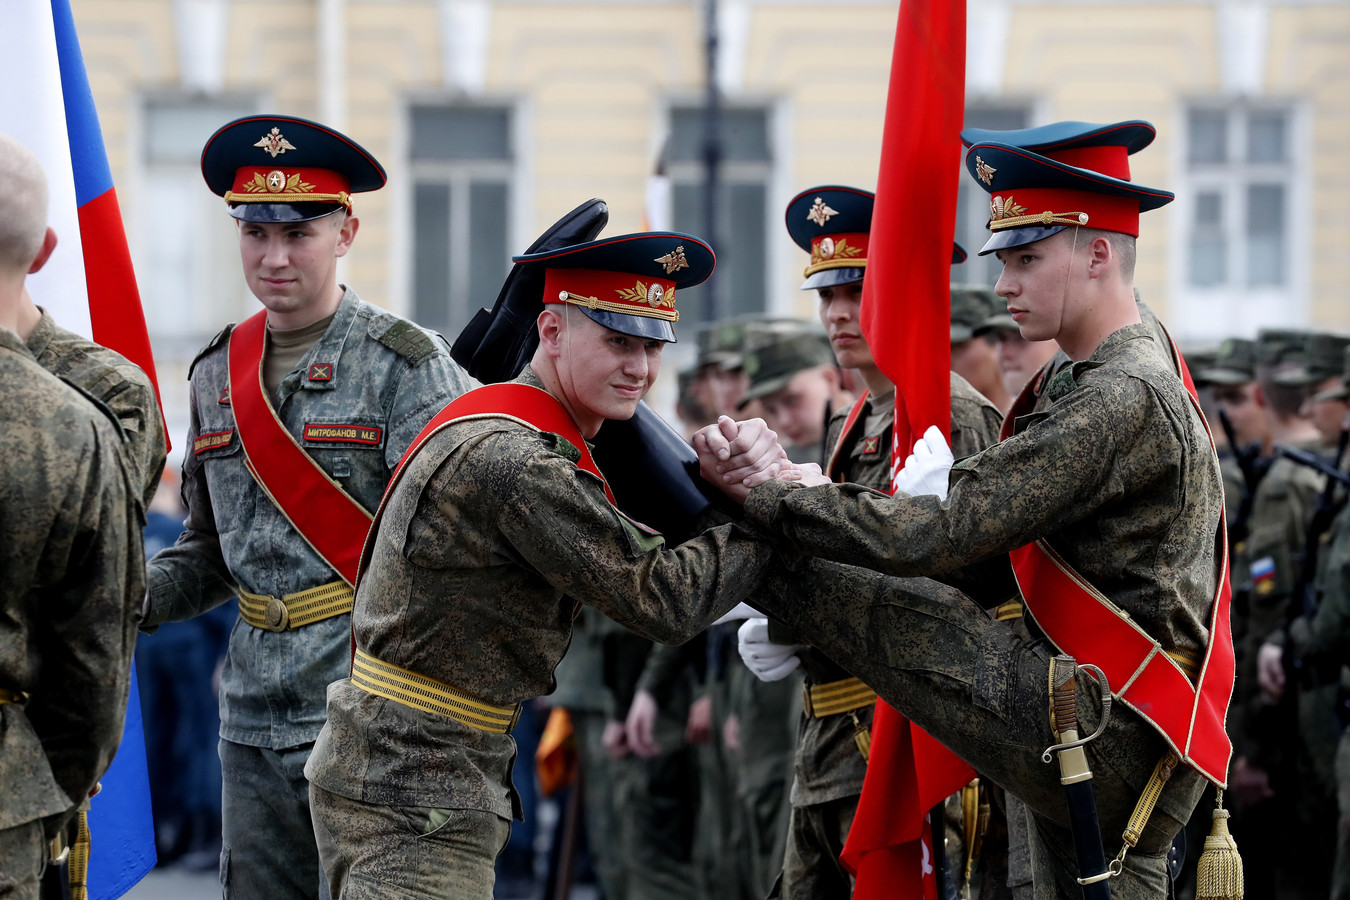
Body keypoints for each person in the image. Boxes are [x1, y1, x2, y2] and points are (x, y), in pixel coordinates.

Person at [700, 124, 1233, 897]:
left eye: (1026, 259)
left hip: (1111, 724)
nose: (1003, 284)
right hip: (1082, 712)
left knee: (850, 593)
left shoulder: (1122, 394)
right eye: (1005, 261)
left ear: (1096, 252)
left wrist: (774, 500)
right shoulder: (1082, 378)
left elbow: (950, 529)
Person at [304, 228, 780, 899]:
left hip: (407, 768)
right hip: (418, 782)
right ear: (550, 331)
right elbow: (664, 600)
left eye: (651, 346)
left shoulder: (499, 429)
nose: (641, 368)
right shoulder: (520, 463)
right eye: (618, 341)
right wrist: (771, 509)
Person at [141, 114, 472, 898]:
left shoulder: (408, 365)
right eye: (256, 232)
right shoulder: (216, 373)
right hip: (251, 716)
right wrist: (118, 594)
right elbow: (208, 554)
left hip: (377, 717)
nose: (276, 255)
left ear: (345, 231)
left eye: (300, 232)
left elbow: (463, 550)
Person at [729, 185, 1002, 900]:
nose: (838, 313)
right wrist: (788, 624)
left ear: (908, 290)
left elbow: (980, 594)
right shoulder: (853, 423)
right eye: (826, 294)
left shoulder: (953, 421)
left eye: (858, 287)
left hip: (909, 747)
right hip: (829, 745)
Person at [0, 132, 146, 900]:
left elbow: (99, 609)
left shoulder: (107, 393)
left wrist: (52, 781)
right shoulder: (76, 420)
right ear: (46, 244)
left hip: (27, 780)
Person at [950, 284, 1011, 413]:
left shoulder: (1033, 420)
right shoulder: (937, 429)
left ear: (997, 344)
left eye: (958, 346)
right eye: (941, 350)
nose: (947, 360)